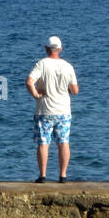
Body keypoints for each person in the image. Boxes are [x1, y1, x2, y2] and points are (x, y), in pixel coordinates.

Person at [25, 36, 79, 182]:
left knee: (43, 143)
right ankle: (63, 175)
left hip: (45, 110)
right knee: (63, 142)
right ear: (60, 49)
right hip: (63, 111)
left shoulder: (42, 64)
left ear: (46, 48)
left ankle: (42, 175)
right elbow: (75, 90)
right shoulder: (68, 66)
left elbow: (29, 82)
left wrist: (36, 95)